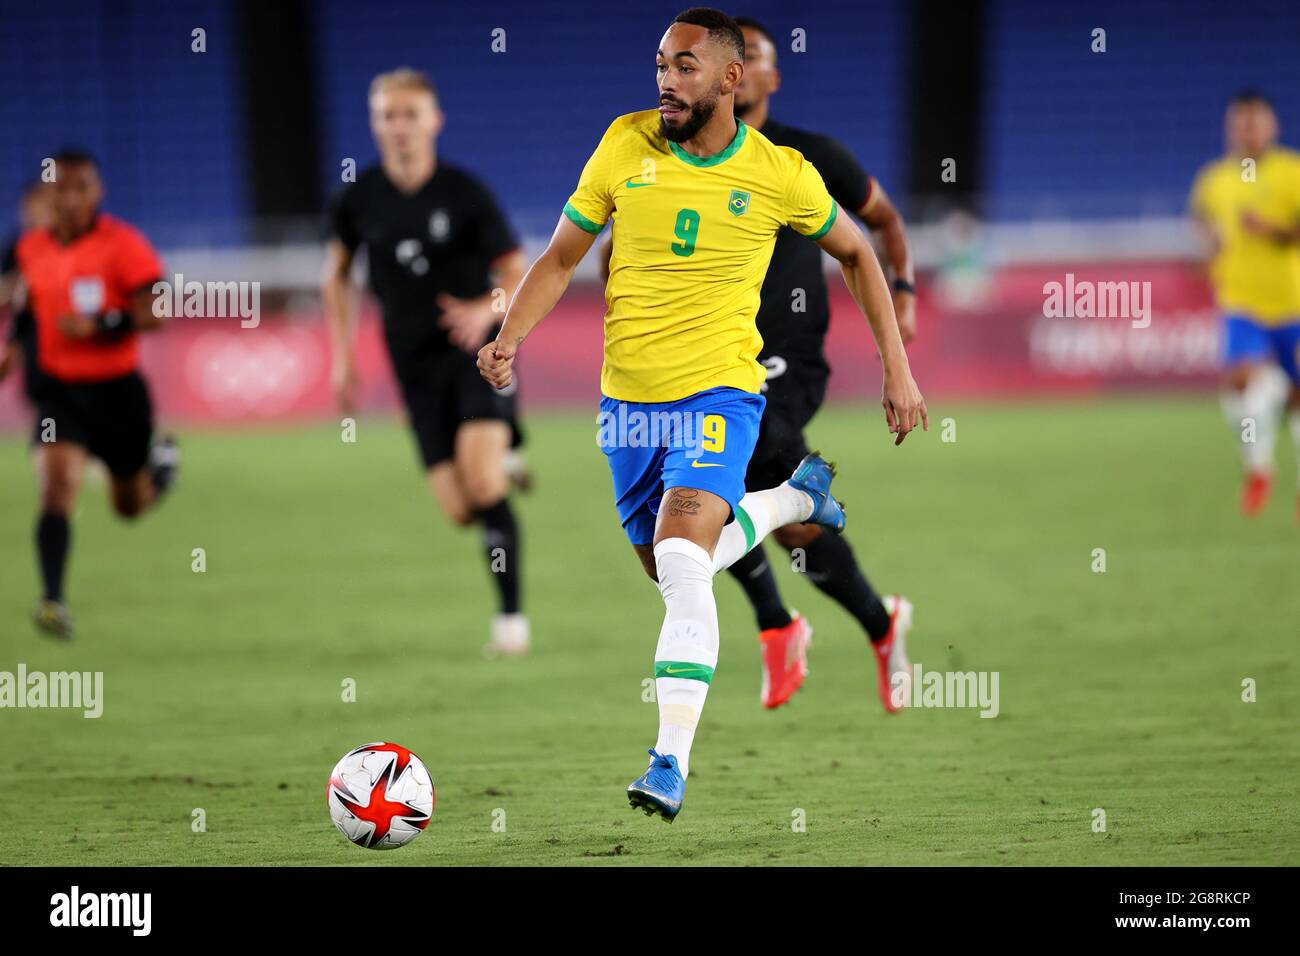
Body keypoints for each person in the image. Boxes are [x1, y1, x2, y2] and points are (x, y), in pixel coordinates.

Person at [478, 9, 926, 820]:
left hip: (721, 393)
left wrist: (898, 368)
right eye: (659, 64)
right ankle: (794, 502)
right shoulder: (624, 143)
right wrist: (509, 336)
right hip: (627, 408)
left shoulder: (781, 171)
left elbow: (860, 249)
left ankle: (669, 762)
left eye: (684, 67)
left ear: (729, 78)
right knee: (671, 568)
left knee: (685, 566)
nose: (664, 81)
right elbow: (561, 256)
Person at [323, 69, 532, 655]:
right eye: (388, 115)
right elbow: (336, 278)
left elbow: (518, 272)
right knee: (462, 510)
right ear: (375, 123)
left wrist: (482, 309)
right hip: (412, 369)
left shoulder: (465, 192)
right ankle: (506, 456)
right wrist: (342, 359)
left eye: (410, 114)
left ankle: (511, 623)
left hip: (477, 356)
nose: (399, 126)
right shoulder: (358, 199)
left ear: (434, 120)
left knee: (482, 479)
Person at [10, 149, 179, 639]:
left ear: (97, 192)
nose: (69, 198)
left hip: (118, 396)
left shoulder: (124, 245)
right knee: (56, 485)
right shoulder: (32, 249)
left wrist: (103, 323)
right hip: (61, 395)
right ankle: (53, 600)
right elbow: (28, 312)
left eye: (80, 188)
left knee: (128, 506)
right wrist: (13, 349)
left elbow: (157, 312)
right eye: (59, 188)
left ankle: (161, 473)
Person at [1190, 91, 1300, 517]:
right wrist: (1210, 250)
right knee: (1239, 382)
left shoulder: (1292, 171)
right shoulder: (1214, 179)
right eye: (1240, 123)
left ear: (1272, 127)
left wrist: (1273, 230)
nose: (1248, 131)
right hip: (1242, 303)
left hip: (1293, 302)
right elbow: (1204, 224)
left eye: (1255, 123)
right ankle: (1259, 468)